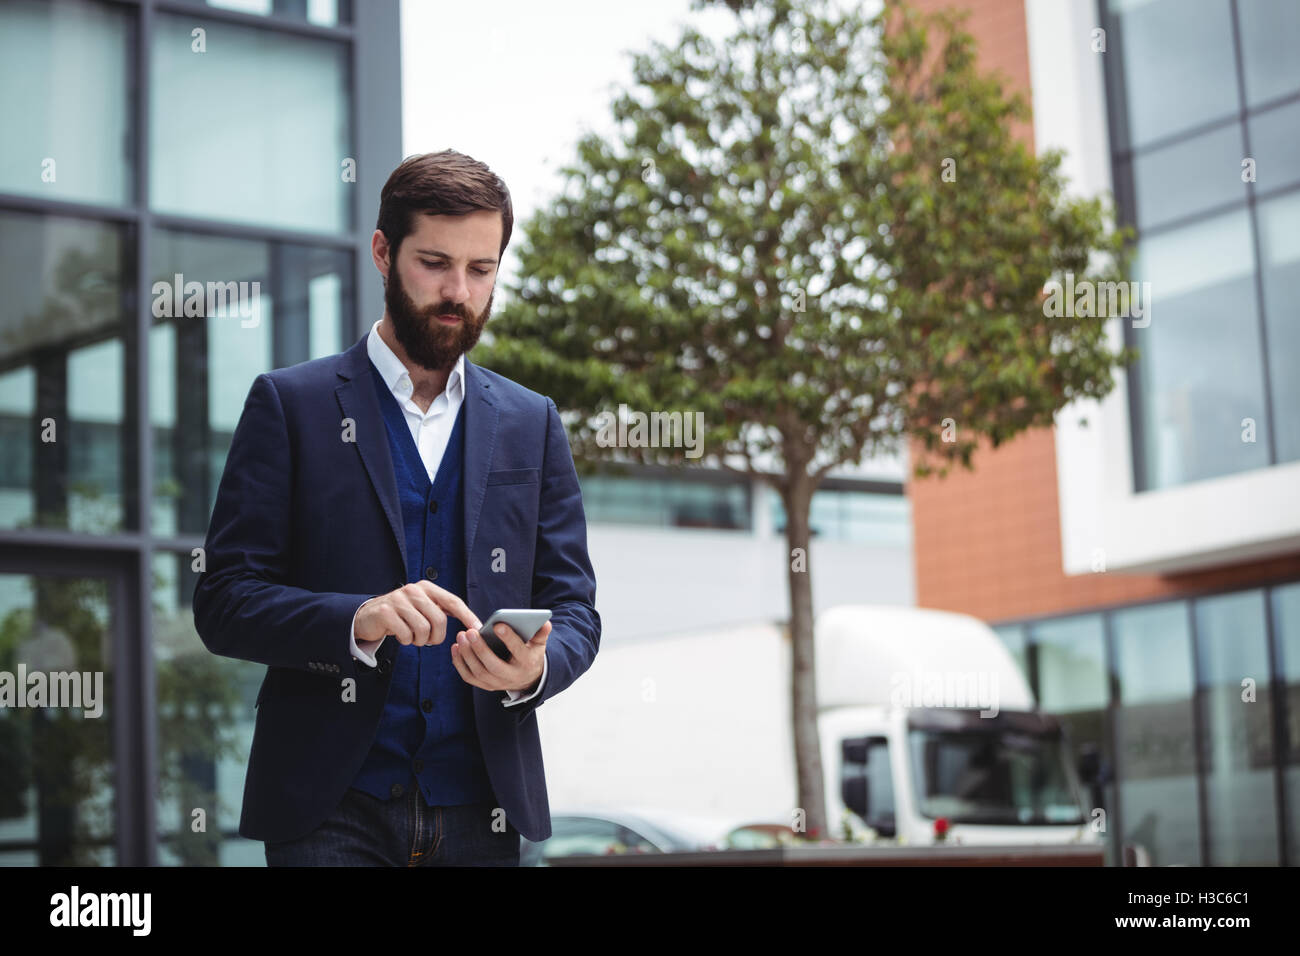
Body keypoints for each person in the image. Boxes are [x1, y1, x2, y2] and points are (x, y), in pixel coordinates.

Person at [192, 149, 600, 866]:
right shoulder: (292, 406)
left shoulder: (531, 421)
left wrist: (531, 672)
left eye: (481, 270)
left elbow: (574, 609)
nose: (458, 292)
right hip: (330, 807)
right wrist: (357, 619)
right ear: (384, 252)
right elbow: (223, 600)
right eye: (434, 263)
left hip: (484, 808)